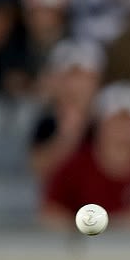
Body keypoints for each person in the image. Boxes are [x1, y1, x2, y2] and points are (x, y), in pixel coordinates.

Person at [41, 81, 130, 229]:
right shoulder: (76, 166)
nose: (123, 129)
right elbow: (51, 213)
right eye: (116, 120)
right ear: (101, 123)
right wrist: (90, 229)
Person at [28, 39, 102, 179]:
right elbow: (38, 171)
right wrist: (67, 135)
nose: (74, 85)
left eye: (83, 76)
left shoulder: (108, 120)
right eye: (68, 76)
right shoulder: (45, 122)